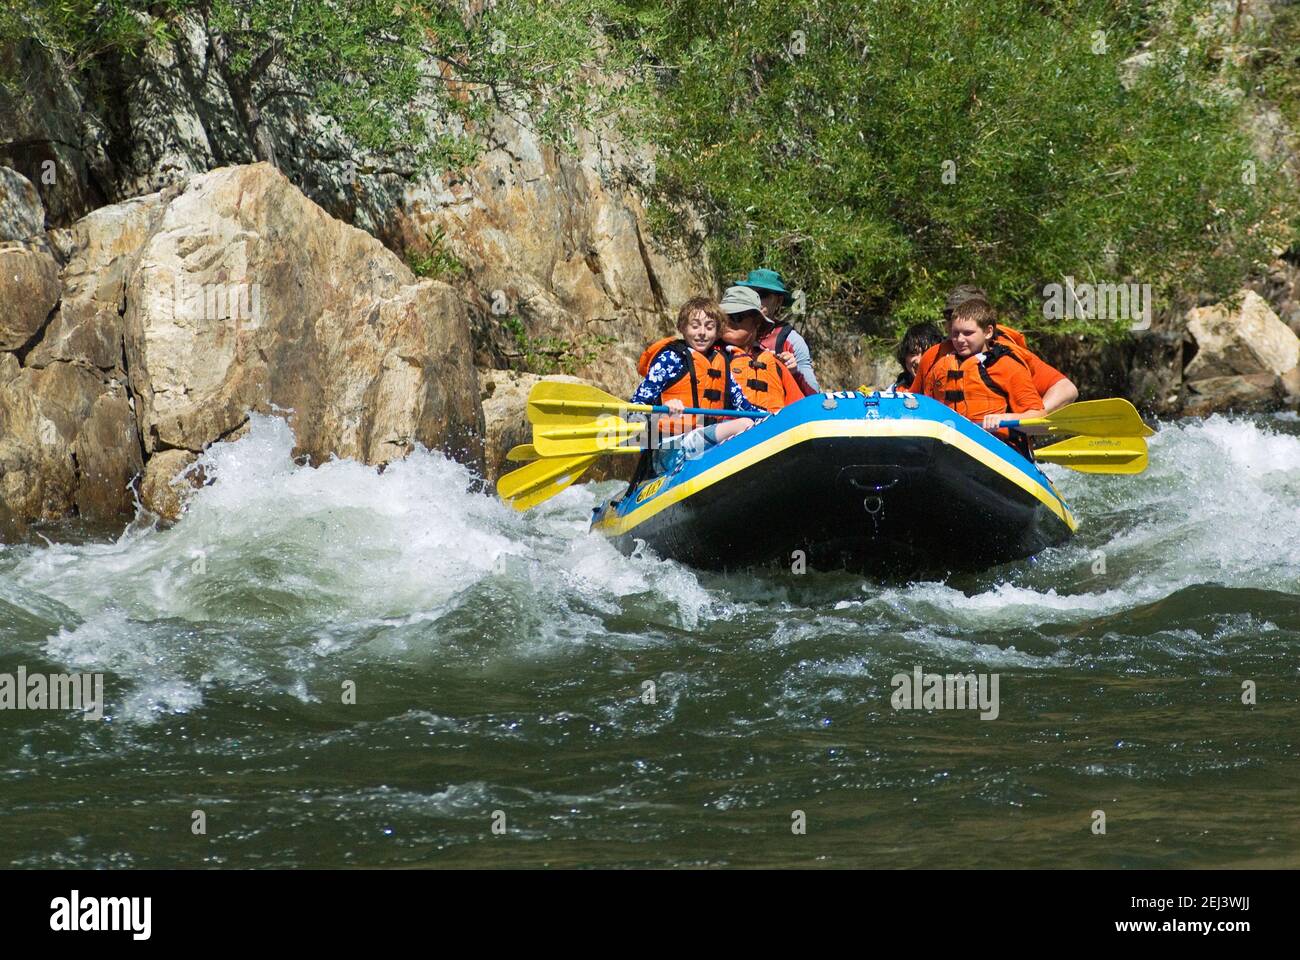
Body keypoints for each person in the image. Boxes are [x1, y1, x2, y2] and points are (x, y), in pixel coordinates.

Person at [630, 296, 761, 476]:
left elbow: (744, 407)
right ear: (683, 328)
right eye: (695, 326)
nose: (702, 333)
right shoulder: (670, 359)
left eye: (709, 327)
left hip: (704, 441)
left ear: (717, 332)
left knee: (752, 421)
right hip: (670, 448)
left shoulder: (721, 361)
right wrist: (664, 408)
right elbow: (635, 408)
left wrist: (774, 416)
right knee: (744, 424)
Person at [908, 298, 1046, 455]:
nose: (960, 340)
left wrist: (1005, 419)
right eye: (955, 333)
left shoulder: (1007, 366)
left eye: (968, 333)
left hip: (997, 452)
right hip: (946, 449)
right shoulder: (937, 361)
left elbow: (1040, 419)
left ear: (988, 332)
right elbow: (914, 403)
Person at [943, 285, 1079, 412]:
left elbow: (1066, 389)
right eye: (950, 315)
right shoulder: (935, 355)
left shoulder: (1007, 355)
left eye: (967, 312)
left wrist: (1028, 418)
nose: (956, 320)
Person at [718, 285, 806, 412]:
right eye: (723, 317)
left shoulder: (776, 365)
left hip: (772, 429)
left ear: (757, 322)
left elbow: (801, 410)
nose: (727, 322)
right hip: (727, 429)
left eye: (736, 317)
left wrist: (796, 373)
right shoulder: (708, 356)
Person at [737, 269, 820, 395]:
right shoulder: (730, 330)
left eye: (763, 294)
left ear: (779, 301)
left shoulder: (792, 341)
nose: (756, 298)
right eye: (750, 292)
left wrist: (795, 373)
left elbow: (814, 394)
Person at [892, 322, 945, 389]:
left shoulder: (949, 390)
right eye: (913, 353)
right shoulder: (894, 392)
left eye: (926, 353)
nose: (919, 361)